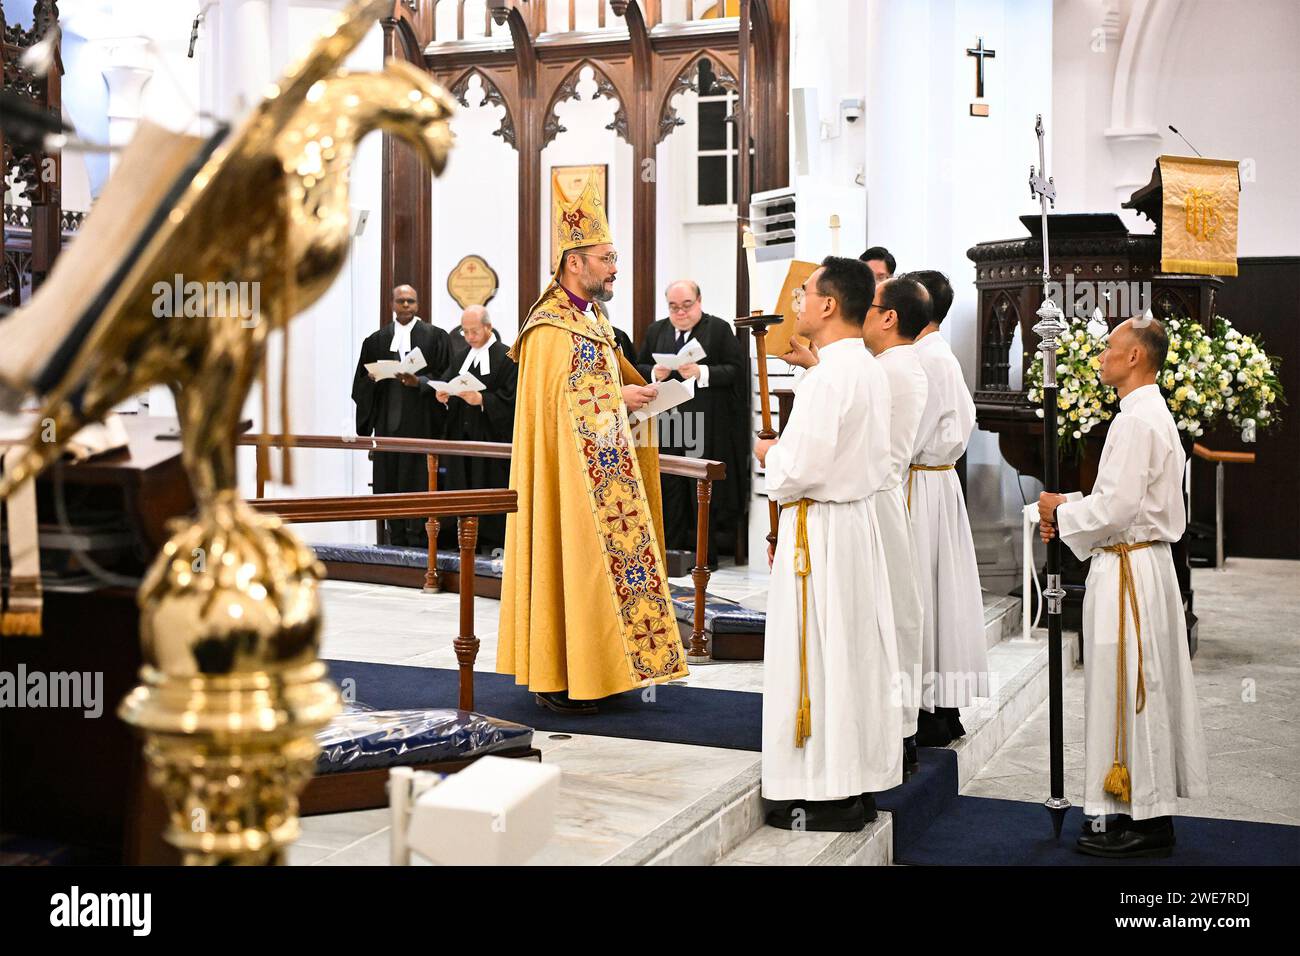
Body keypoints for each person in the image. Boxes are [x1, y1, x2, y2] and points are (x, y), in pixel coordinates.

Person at [497, 181, 687, 715]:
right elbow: (558, 403)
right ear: (574, 262)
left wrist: (637, 392)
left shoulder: (592, 320)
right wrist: (615, 396)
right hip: (567, 479)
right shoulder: (549, 326)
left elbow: (598, 383)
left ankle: (600, 671)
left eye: (615, 258)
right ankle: (556, 676)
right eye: (607, 259)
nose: (614, 268)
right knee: (569, 562)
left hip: (601, 475)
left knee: (599, 566)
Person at [1039, 316, 1208, 859]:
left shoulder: (1135, 421)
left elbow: (1115, 508)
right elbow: (1119, 500)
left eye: (1111, 347)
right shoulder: (1147, 413)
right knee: (1136, 689)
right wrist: (1065, 509)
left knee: (1130, 689)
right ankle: (1131, 808)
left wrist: (1063, 508)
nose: (1102, 356)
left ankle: (1145, 818)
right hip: (1138, 565)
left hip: (1129, 570)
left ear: (1135, 356)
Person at [754, 256, 901, 832]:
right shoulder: (866, 368)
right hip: (852, 528)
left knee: (815, 654)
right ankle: (854, 782)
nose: (798, 304)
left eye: (805, 294)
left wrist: (769, 454)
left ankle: (821, 791)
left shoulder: (827, 379)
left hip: (817, 531)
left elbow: (799, 469)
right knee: (850, 655)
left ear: (829, 305)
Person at [903, 269, 989, 745]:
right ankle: (939, 707)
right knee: (938, 594)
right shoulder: (939, 354)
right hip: (936, 485)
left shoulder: (924, 359)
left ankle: (929, 708)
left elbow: (906, 435)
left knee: (924, 594)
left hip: (919, 484)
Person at [863, 277, 931, 778]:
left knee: (884, 620)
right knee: (899, 617)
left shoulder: (887, 370)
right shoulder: (899, 365)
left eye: (869, 307)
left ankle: (889, 733)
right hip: (887, 498)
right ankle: (900, 730)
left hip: (875, 502)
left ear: (889, 317)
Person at [635, 280, 749, 565]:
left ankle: (704, 556)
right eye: (674, 307)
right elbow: (638, 368)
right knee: (670, 486)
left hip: (706, 423)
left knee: (700, 488)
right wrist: (653, 373)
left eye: (686, 306)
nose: (681, 313)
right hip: (670, 423)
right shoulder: (657, 330)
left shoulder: (718, 329)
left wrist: (702, 371)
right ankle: (671, 556)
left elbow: (736, 371)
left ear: (699, 301)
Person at [351, 284, 451, 547]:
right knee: (389, 483)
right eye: (401, 301)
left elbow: (447, 378)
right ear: (392, 304)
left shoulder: (435, 336)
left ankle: (419, 541)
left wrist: (419, 382)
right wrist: (371, 379)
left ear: (418, 304)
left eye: (411, 301)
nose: (406, 305)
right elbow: (358, 385)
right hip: (387, 428)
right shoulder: (375, 341)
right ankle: (394, 538)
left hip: (421, 426)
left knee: (417, 482)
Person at [431, 305, 516, 553]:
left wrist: (483, 401)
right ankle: (464, 541)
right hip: (463, 439)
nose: (469, 337)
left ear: (488, 327)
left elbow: (513, 399)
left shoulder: (507, 356)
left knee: (488, 488)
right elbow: (448, 382)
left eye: (474, 331)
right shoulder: (460, 358)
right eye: (465, 332)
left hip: (491, 440)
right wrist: (443, 395)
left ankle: (492, 542)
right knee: (463, 489)